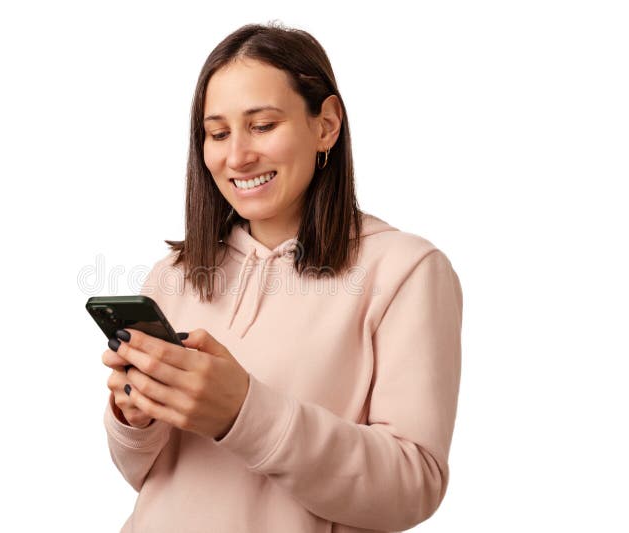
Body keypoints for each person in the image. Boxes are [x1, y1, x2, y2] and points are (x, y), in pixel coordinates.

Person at [100, 22, 463, 533]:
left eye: (263, 125)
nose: (237, 156)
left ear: (326, 125)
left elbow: (413, 486)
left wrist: (242, 413)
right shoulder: (173, 276)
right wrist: (133, 419)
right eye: (218, 133)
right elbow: (147, 475)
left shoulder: (406, 270)